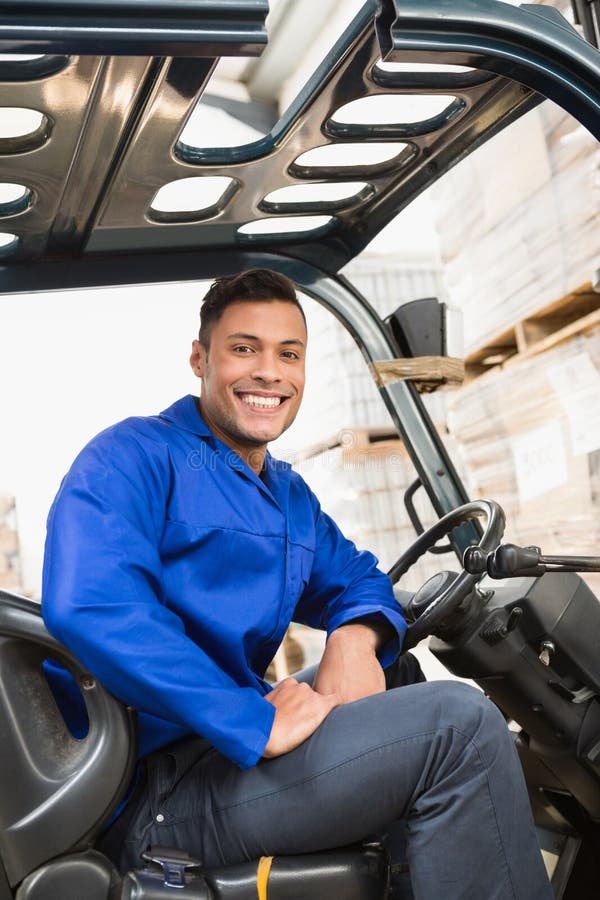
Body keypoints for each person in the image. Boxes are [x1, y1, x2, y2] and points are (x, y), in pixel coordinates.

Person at [42, 268, 552, 899]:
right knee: (461, 728)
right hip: (155, 790)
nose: (269, 373)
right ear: (200, 359)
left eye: (289, 354)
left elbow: (357, 578)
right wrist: (252, 718)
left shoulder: (286, 495)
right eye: (244, 349)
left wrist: (356, 637)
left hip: (221, 759)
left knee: (400, 679)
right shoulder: (132, 456)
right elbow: (93, 604)